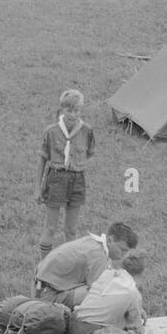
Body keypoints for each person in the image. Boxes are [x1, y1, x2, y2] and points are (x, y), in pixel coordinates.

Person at [36, 88, 97, 258]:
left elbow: (89, 153)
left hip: (77, 180)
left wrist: (76, 167)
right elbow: (42, 159)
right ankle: (44, 265)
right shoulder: (52, 131)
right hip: (56, 179)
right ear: (62, 110)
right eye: (69, 110)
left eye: (76, 110)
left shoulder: (87, 131)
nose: (72, 115)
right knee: (50, 227)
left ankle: (68, 265)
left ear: (81, 110)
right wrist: (38, 188)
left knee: (71, 229)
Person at [33, 222, 138, 308]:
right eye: (122, 250)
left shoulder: (94, 243)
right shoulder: (98, 255)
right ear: (110, 240)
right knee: (104, 294)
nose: (123, 255)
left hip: (41, 287)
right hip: (46, 296)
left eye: (126, 252)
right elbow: (99, 291)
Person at [69, 255, 147, 334]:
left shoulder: (107, 274)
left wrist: (138, 308)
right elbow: (136, 328)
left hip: (73, 325)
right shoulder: (132, 292)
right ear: (140, 274)